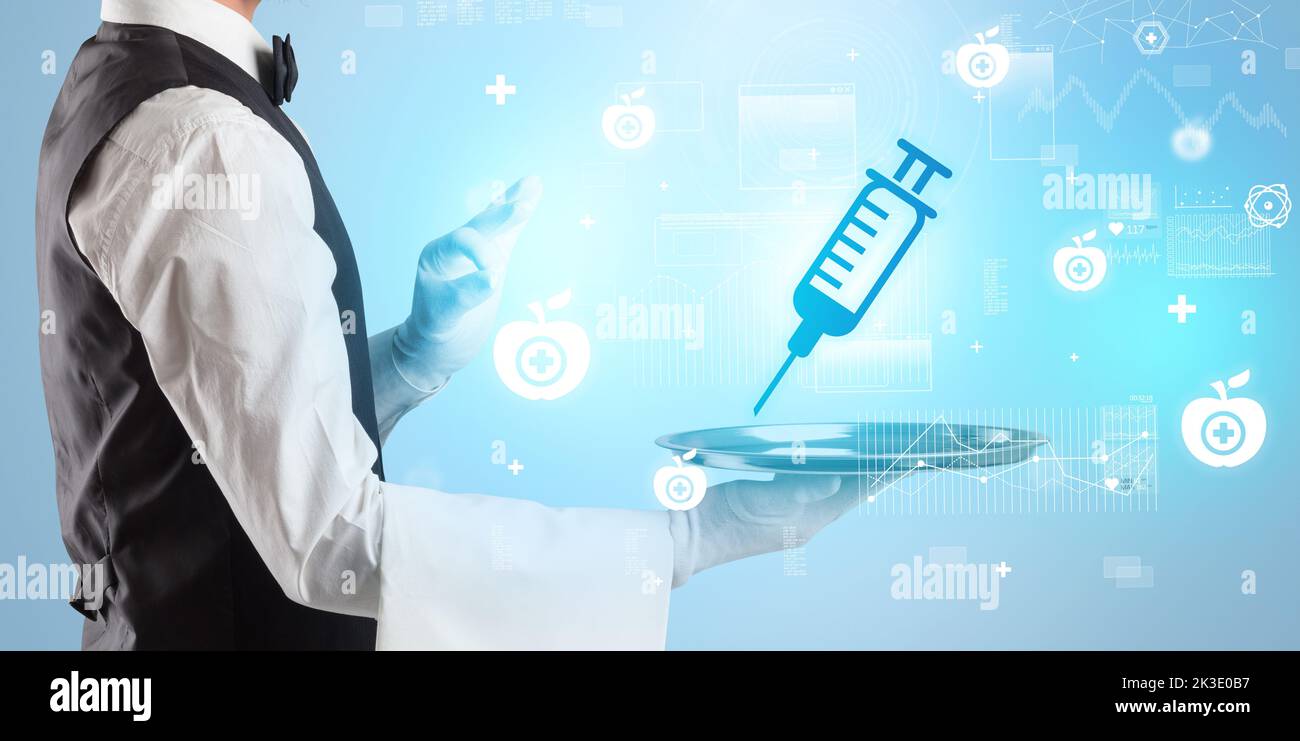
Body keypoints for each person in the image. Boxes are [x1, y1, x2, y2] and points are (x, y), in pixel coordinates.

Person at [35, 0, 897, 650]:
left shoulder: (121, 79)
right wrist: (691, 538)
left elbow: (201, 430)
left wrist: (406, 362)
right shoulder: (202, 137)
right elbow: (333, 538)